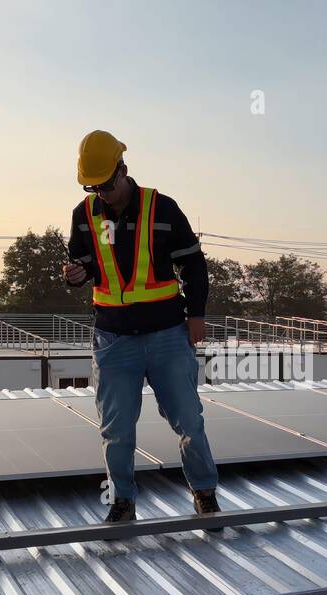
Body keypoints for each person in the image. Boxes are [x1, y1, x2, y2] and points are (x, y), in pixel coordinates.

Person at [63, 130, 221, 525]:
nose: (102, 192)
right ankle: (122, 501)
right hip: (114, 340)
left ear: (123, 169)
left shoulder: (161, 208)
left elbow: (194, 265)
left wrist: (196, 314)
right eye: (93, 186)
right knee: (116, 430)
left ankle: (204, 492)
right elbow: (85, 268)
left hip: (167, 334)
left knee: (189, 420)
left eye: (107, 183)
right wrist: (76, 275)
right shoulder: (86, 215)